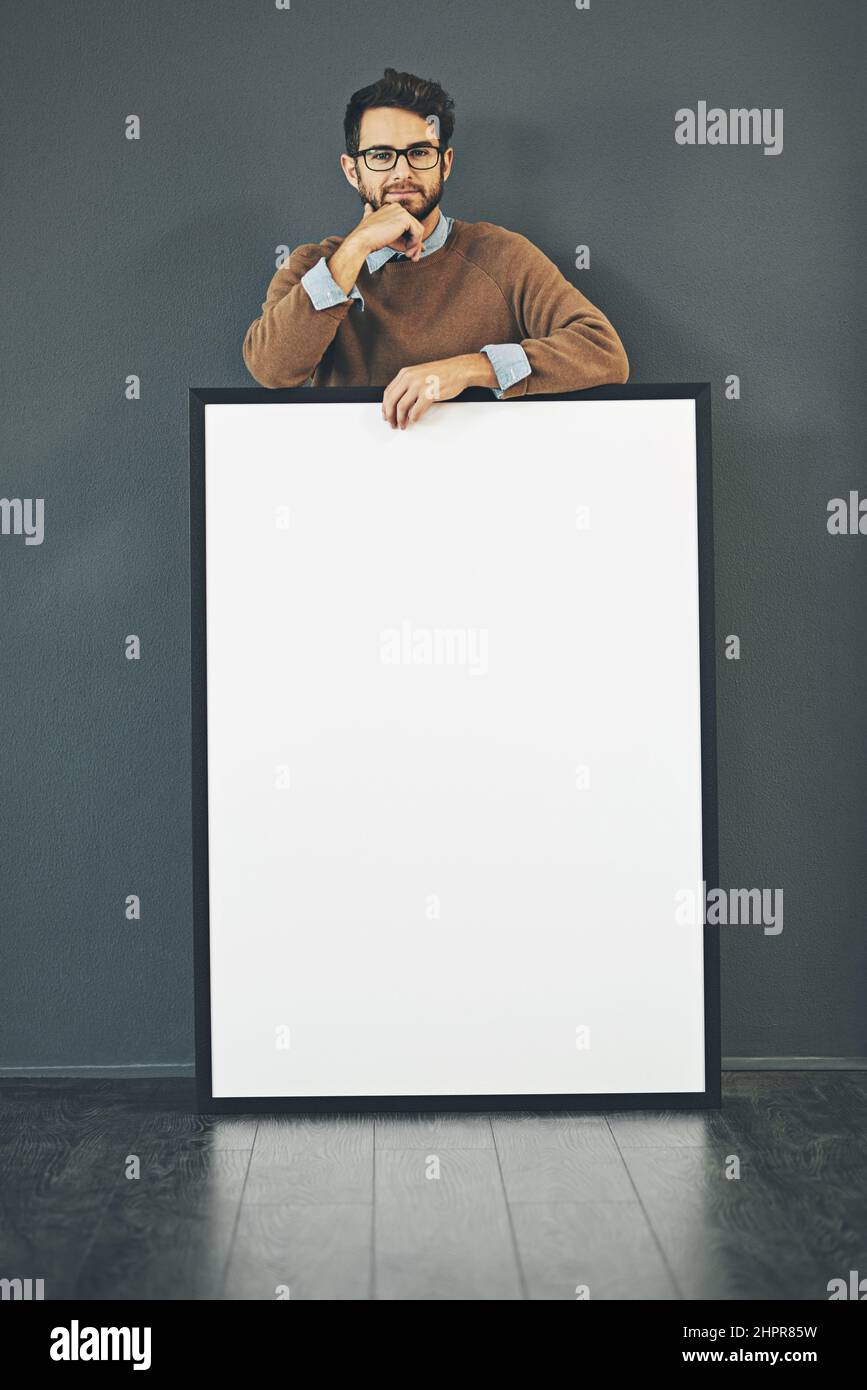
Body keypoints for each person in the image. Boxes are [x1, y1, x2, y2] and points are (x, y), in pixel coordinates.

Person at [242, 67, 629, 429]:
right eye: (379, 155)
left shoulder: (503, 255)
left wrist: (469, 369)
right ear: (350, 170)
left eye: (419, 152)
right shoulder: (313, 265)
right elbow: (271, 370)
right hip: (353, 486)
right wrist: (356, 247)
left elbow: (603, 353)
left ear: (444, 164)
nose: (401, 172)